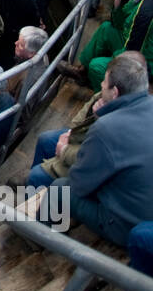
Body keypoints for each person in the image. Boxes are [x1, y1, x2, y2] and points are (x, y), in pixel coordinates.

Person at [60, 53, 153, 248]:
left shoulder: (106, 127)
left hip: (127, 225)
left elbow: (79, 184)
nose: (101, 85)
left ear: (116, 92)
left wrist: (65, 150)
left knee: (60, 188)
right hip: (146, 212)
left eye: (104, 82)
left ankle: (41, 238)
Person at [59, 0, 153, 90]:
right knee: (106, 29)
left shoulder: (143, 12)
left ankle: (105, 99)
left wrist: (112, 62)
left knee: (97, 66)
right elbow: (117, 24)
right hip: (135, 44)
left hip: (145, 63)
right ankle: (81, 71)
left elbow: (131, 52)